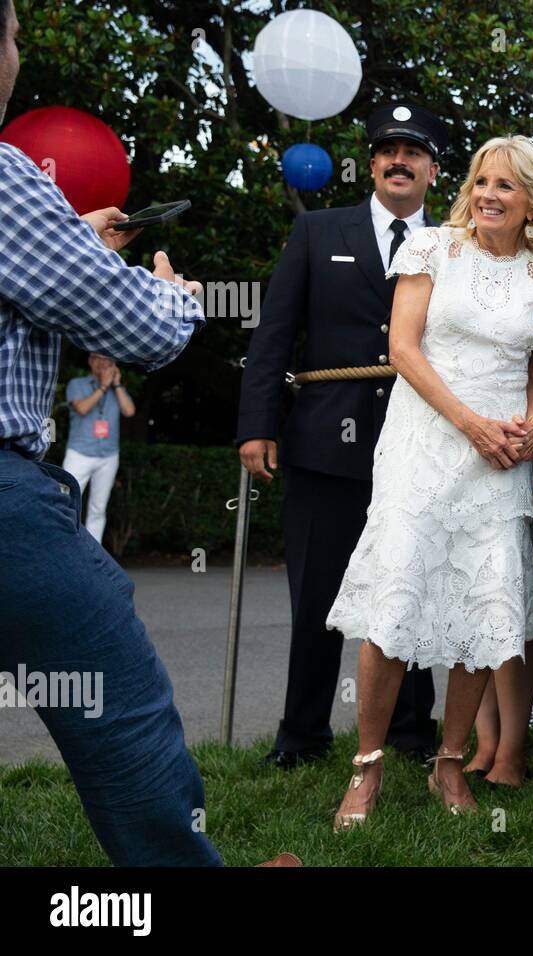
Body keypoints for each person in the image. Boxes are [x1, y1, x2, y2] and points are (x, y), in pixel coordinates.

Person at [0, 0, 228, 865]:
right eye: (15, 35)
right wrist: (175, 295)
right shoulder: (7, 177)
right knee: (120, 709)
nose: (20, 53)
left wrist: (72, 240)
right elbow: (136, 327)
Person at [326, 135, 533, 827]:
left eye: (505, 185)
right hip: (423, 443)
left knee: (484, 605)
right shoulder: (432, 249)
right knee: (396, 597)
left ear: (529, 202)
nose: (488, 194)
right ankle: (367, 767)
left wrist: (529, 423)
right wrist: (470, 424)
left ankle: (451, 762)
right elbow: (402, 348)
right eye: (481, 181)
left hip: (498, 461)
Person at [236, 103, 443, 769]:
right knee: (317, 598)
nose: (399, 161)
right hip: (325, 445)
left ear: (433, 170)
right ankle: (301, 735)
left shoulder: (453, 244)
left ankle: (411, 732)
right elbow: (273, 333)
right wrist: (257, 424)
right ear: (373, 163)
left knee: (409, 590)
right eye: (388, 150)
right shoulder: (317, 230)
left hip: (417, 446)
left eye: (413, 152)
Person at [63, 352, 135, 543]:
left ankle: (92, 552)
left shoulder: (117, 389)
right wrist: (103, 386)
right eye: (98, 358)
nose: (103, 363)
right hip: (79, 453)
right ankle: (64, 547)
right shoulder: (77, 384)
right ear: (90, 361)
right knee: (66, 503)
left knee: (98, 508)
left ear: (114, 364)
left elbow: (129, 411)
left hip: (108, 456)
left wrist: (116, 384)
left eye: (108, 359)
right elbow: (82, 408)